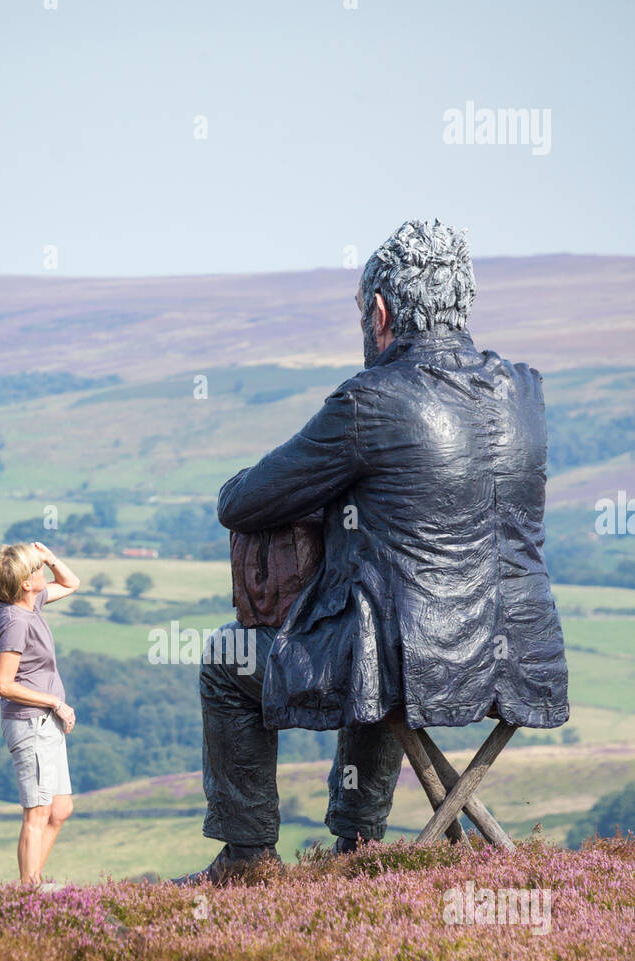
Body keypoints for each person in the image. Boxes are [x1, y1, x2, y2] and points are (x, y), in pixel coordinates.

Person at [179, 218, 568, 885]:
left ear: (381, 313)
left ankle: (247, 859)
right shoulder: (524, 391)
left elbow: (242, 504)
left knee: (228, 658)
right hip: (524, 657)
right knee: (377, 635)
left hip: (414, 661)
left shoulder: (371, 401)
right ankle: (357, 839)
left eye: (363, 313)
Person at [0, 540, 81, 887]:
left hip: (46, 723)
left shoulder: (31, 603)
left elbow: (72, 584)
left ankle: (31, 886)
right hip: (31, 723)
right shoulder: (15, 622)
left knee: (60, 809)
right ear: (26, 583)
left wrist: (51, 558)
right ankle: (30, 891)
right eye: (36, 568)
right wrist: (55, 702)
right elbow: (3, 684)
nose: (42, 570)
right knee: (37, 813)